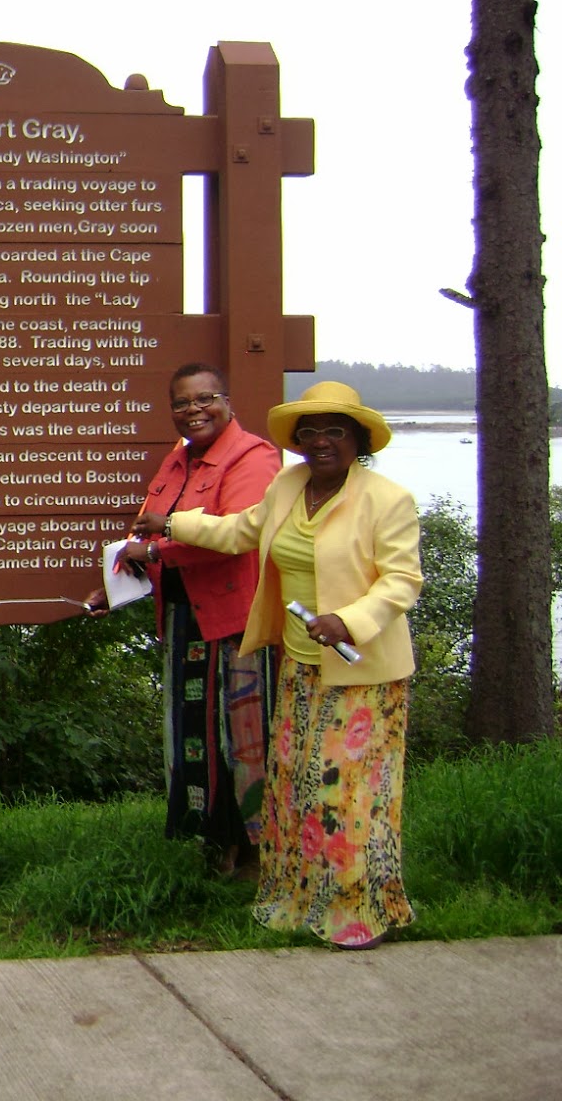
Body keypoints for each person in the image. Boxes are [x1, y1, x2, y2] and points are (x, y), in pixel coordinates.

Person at [135, 381, 423, 949]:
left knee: (349, 795)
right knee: (295, 788)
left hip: (362, 672)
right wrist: (170, 526)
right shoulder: (288, 485)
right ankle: (298, 901)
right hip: (299, 664)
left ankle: (356, 912)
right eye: (310, 432)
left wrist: (349, 620)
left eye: (334, 430)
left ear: (359, 439)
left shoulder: (387, 499)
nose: (320, 442)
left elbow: (402, 581)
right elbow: (240, 529)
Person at [87, 364, 281, 878]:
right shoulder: (178, 460)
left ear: (227, 401)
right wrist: (118, 584)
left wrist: (153, 544)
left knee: (245, 739)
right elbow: (148, 534)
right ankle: (213, 844)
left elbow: (235, 535)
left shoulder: (254, 457)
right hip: (182, 619)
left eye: (205, 398)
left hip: (235, 621)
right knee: (193, 737)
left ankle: (260, 851)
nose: (193, 410)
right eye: (181, 403)